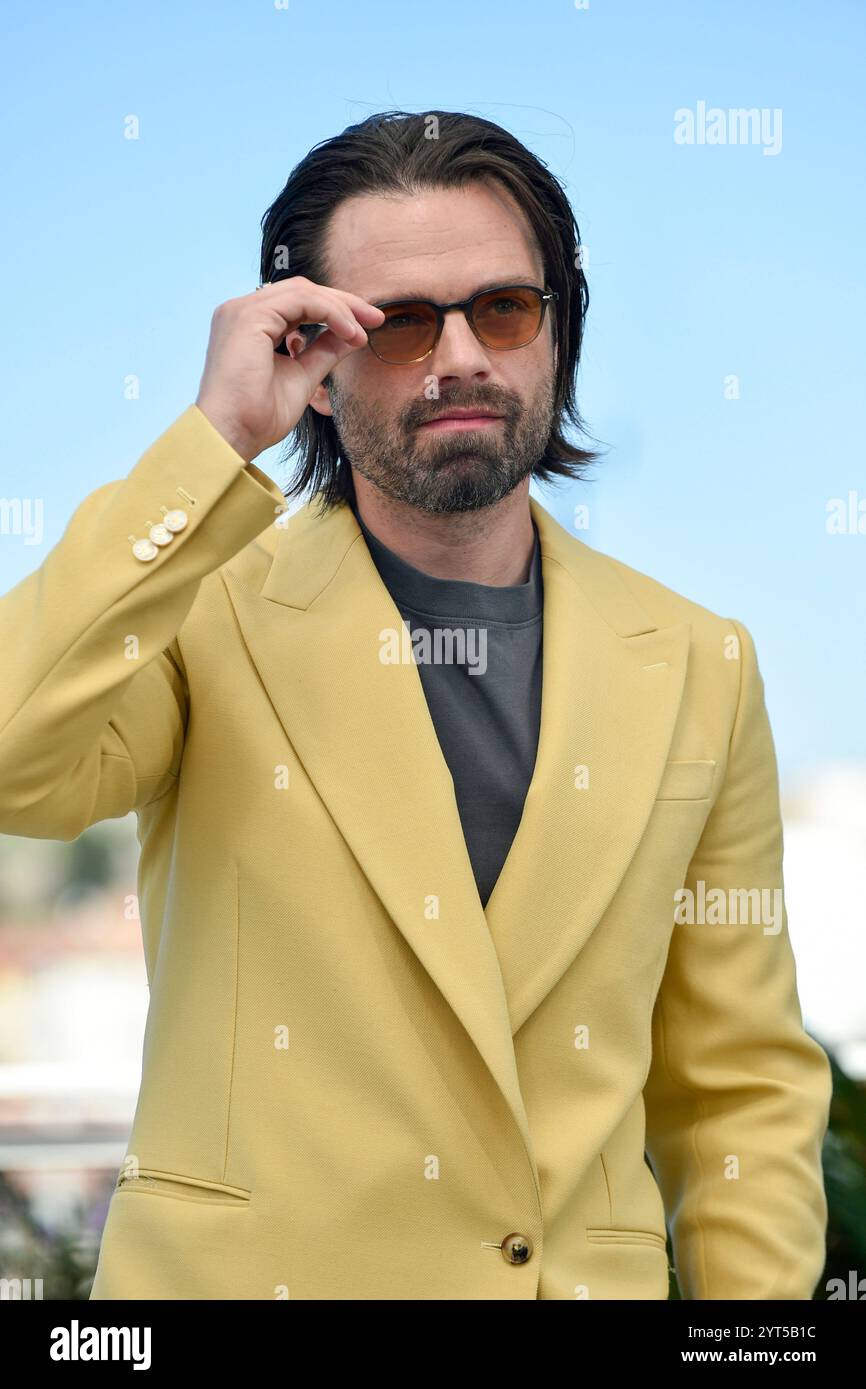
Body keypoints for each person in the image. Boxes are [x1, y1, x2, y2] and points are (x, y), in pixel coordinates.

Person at [0, 110, 832, 1300]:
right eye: (395, 323)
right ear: (312, 364)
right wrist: (212, 444)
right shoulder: (201, 615)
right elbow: (12, 755)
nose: (460, 358)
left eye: (503, 309)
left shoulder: (700, 661)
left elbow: (738, 1083)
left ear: (556, 339)